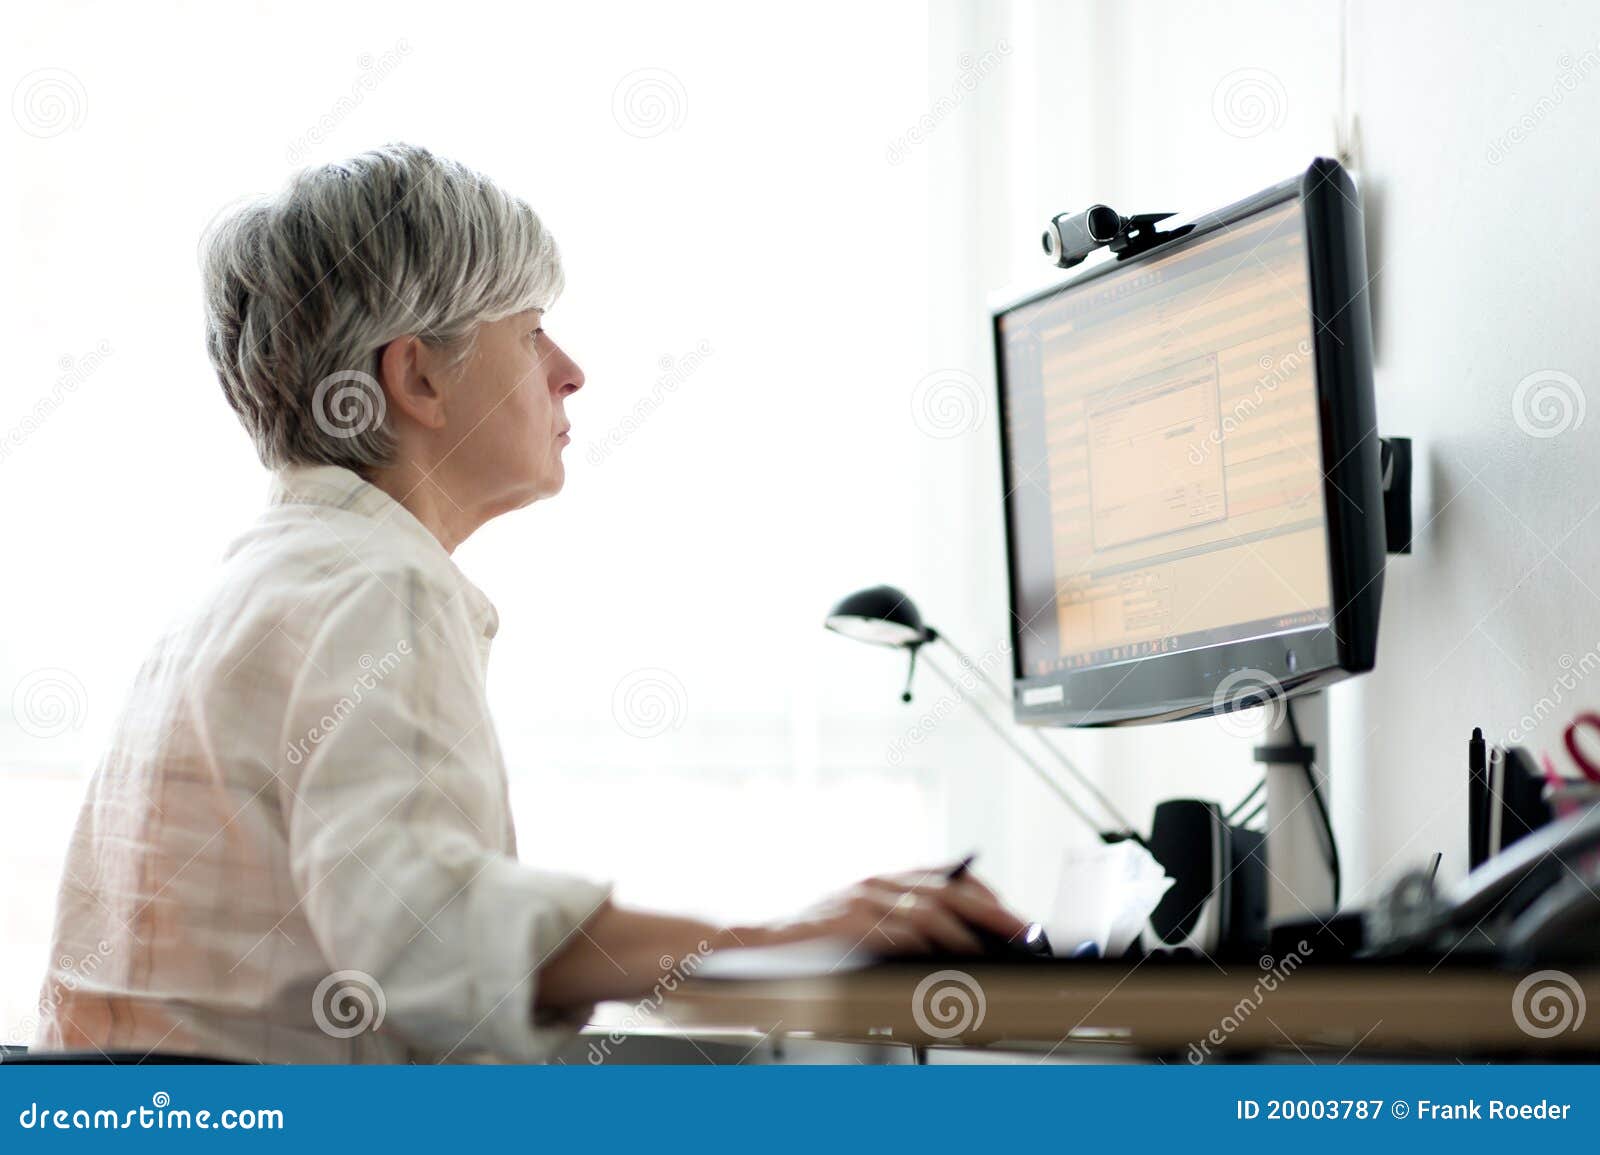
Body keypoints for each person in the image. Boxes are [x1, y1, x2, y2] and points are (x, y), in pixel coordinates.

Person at [33, 143, 1026, 1063]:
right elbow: (424, 940)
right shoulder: (378, 588)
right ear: (417, 377)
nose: (571, 373)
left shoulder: (243, 593)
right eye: (531, 332)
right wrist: (786, 939)